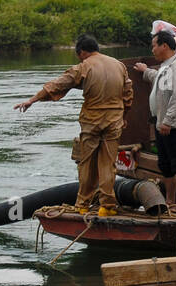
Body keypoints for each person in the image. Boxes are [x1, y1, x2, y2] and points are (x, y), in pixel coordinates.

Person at [14, 34, 132, 216]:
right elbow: (128, 93)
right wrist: (124, 115)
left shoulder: (84, 66)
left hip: (92, 121)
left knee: (86, 163)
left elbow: (57, 84)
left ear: (82, 52)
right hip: (114, 120)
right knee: (108, 164)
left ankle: (83, 204)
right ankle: (107, 206)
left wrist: (32, 100)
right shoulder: (119, 65)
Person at [135, 29, 176, 213]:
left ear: (164, 46)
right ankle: (170, 201)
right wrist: (146, 71)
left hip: (175, 126)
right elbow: (159, 80)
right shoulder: (165, 67)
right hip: (164, 125)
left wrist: (168, 122)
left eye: (154, 46)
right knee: (166, 165)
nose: (152, 50)